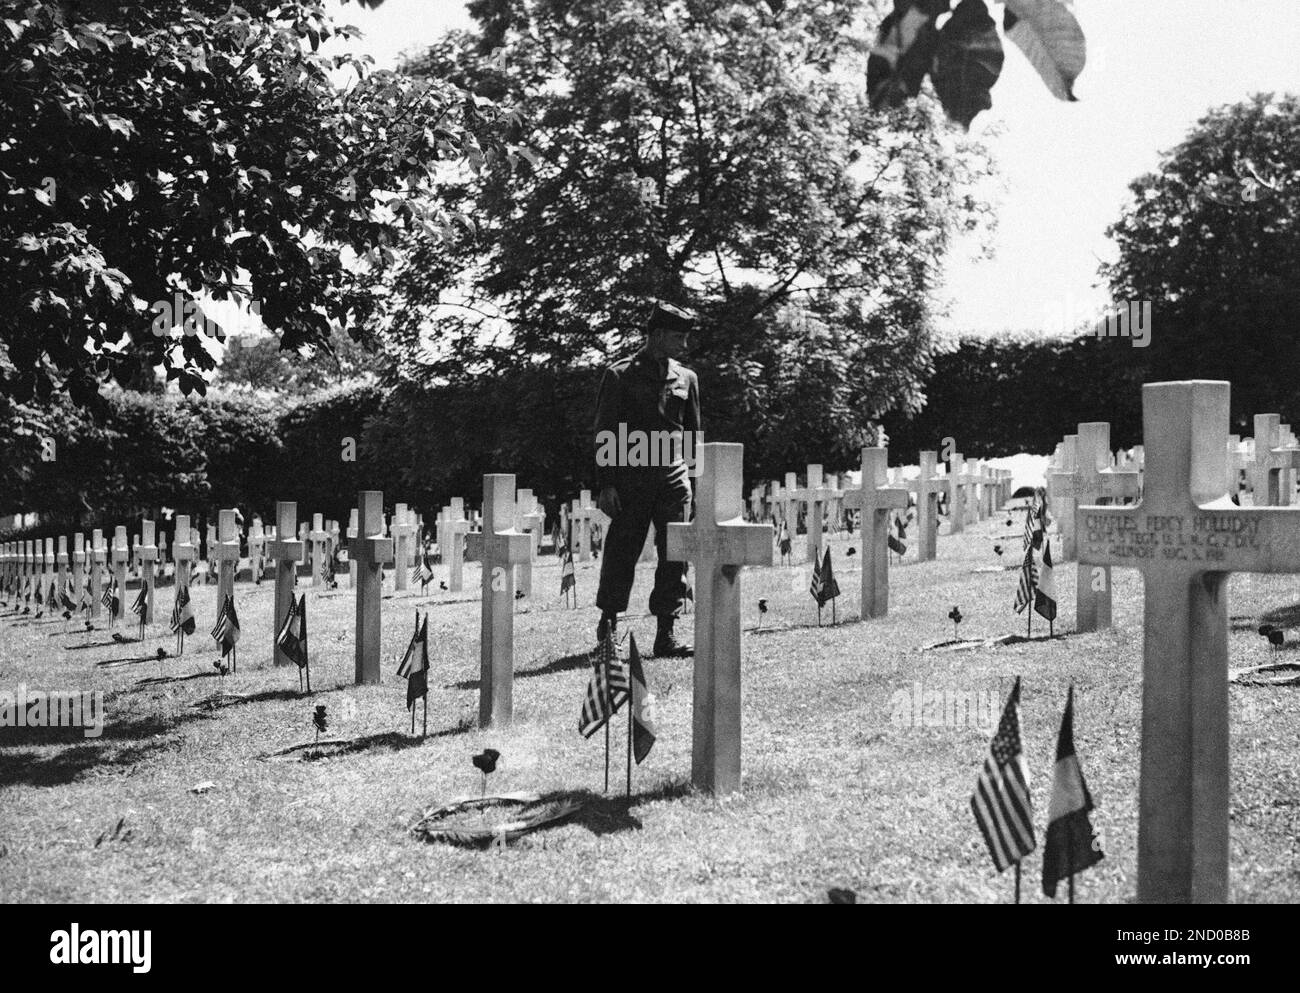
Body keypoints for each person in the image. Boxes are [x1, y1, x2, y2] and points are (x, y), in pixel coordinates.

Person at [592, 299, 701, 657]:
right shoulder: (620, 374)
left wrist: (695, 488)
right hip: (631, 477)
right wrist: (606, 484)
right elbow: (605, 431)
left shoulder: (686, 379)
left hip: (673, 478)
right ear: (655, 335)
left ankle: (665, 634)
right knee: (622, 552)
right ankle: (608, 628)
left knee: (675, 555)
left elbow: (691, 437)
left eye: (685, 339)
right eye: (676, 337)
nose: (683, 346)